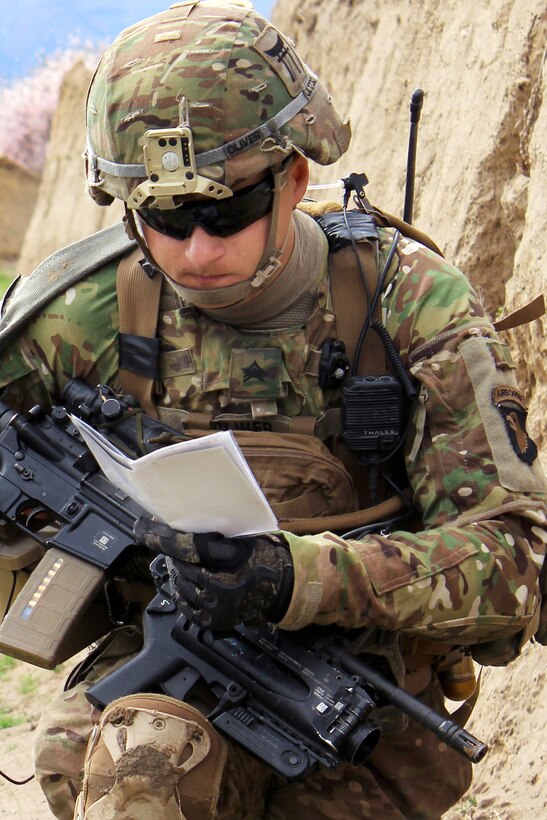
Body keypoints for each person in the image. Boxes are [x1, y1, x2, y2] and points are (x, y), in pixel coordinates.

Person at [0, 1, 545, 818]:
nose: (198, 250)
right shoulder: (79, 315)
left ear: (293, 177)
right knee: (138, 767)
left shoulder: (407, 307)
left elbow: (515, 568)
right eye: (166, 218)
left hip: (354, 697)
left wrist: (296, 577)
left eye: (227, 210)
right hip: (157, 681)